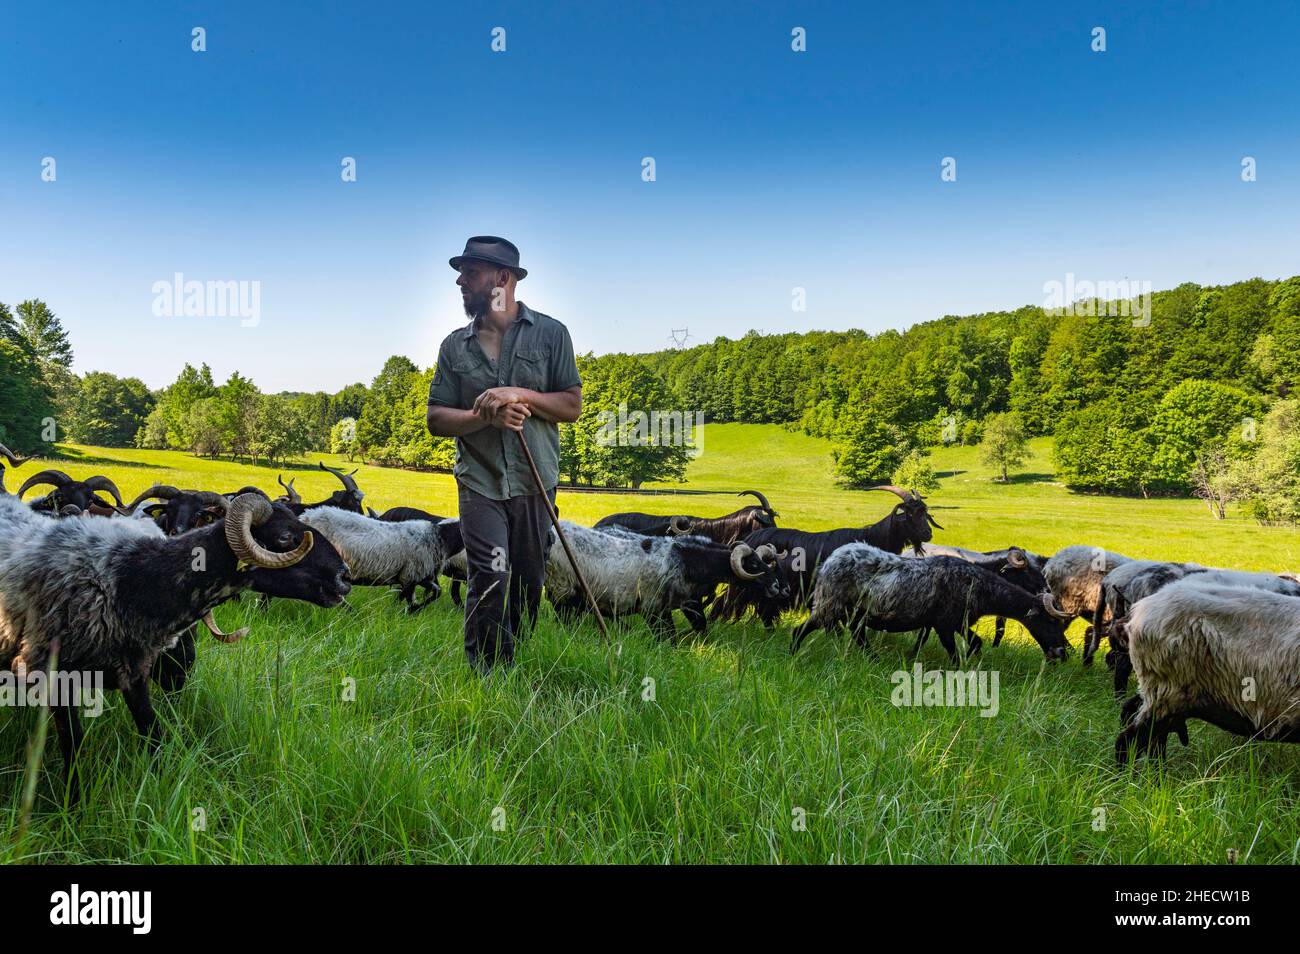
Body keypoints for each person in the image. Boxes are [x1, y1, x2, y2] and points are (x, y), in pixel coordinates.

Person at [426, 236, 582, 672]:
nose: (460, 281)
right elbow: (436, 419)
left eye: (470, 272)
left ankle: (521, 658)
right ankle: (487, 673)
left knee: (529, 578)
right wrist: (484, 418)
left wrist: (520, 394)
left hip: (536, 481)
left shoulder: (553, 335)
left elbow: (571, 406)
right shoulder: (454, 347)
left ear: (502, 279)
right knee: (491, 576)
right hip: (481, 480)